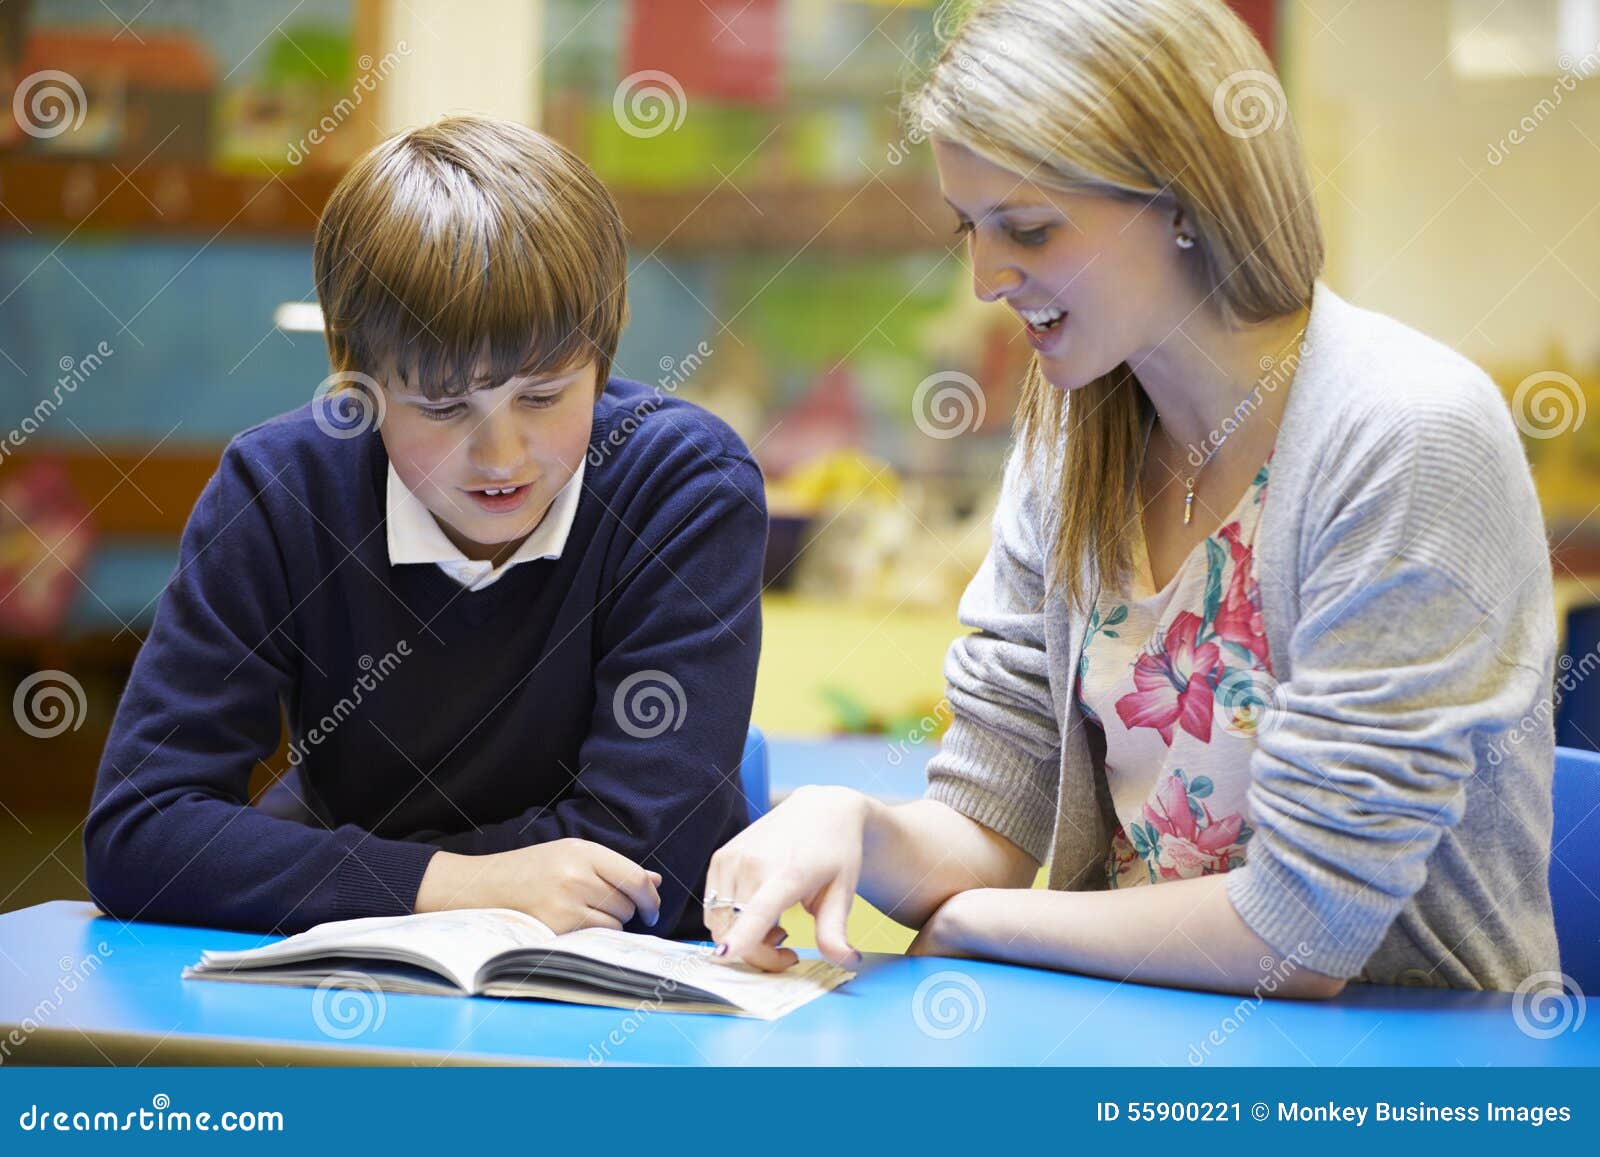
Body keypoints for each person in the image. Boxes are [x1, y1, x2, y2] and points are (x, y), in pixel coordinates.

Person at [705, 0, 1558, 995]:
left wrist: (983, 919)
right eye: (968, 228)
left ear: (1185, 201)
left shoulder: (1406, 432)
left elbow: (1301, 928)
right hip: (1117, 1035)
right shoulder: (1072, 439)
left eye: (1027, 227)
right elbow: (992, 814)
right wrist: (854, 820)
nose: (985, 277)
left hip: (1392, 1078)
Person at [85, 115, 766, 940]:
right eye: (445, 409)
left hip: (623, 1005)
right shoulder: (281, 490)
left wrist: (314, 869)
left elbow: (644, 860)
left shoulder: (685, 487)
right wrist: (454, 883)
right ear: (359, 387)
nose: (501, 454)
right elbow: (139, 831)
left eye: (545, 397)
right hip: (368, 986)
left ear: (602, 361)